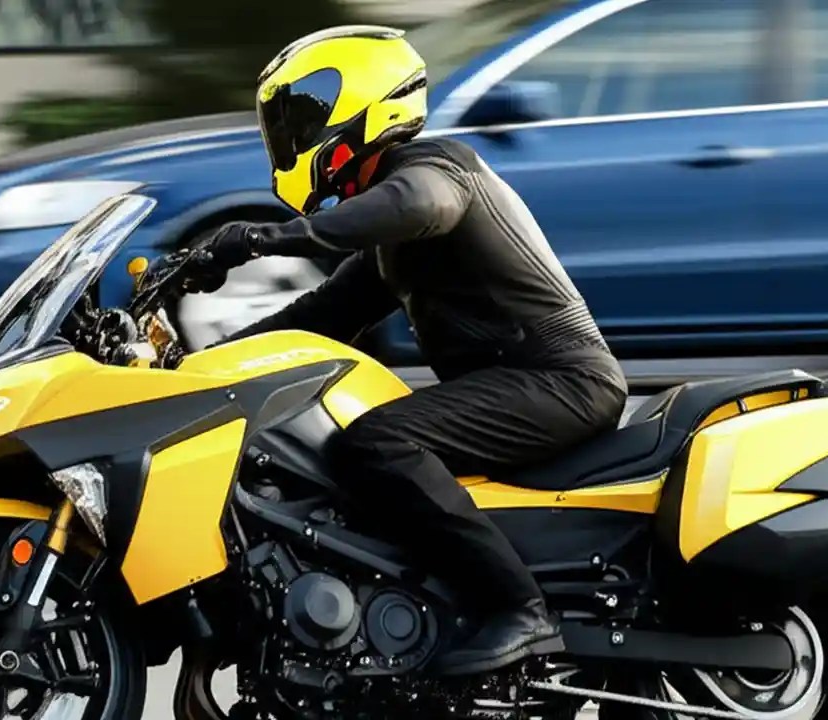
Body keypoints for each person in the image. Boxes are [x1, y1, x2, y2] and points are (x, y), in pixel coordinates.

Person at [165, 25, 628, 675]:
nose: (292, 140)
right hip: (524, 383)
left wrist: (266, 238)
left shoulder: (439, 171)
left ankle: (522, 611)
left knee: (376, 443)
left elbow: (418, 204)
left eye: (303, 122)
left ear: (357, 110)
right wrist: (191, 373)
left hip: (560, 380)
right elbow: (318, 316)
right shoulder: (390, 244)